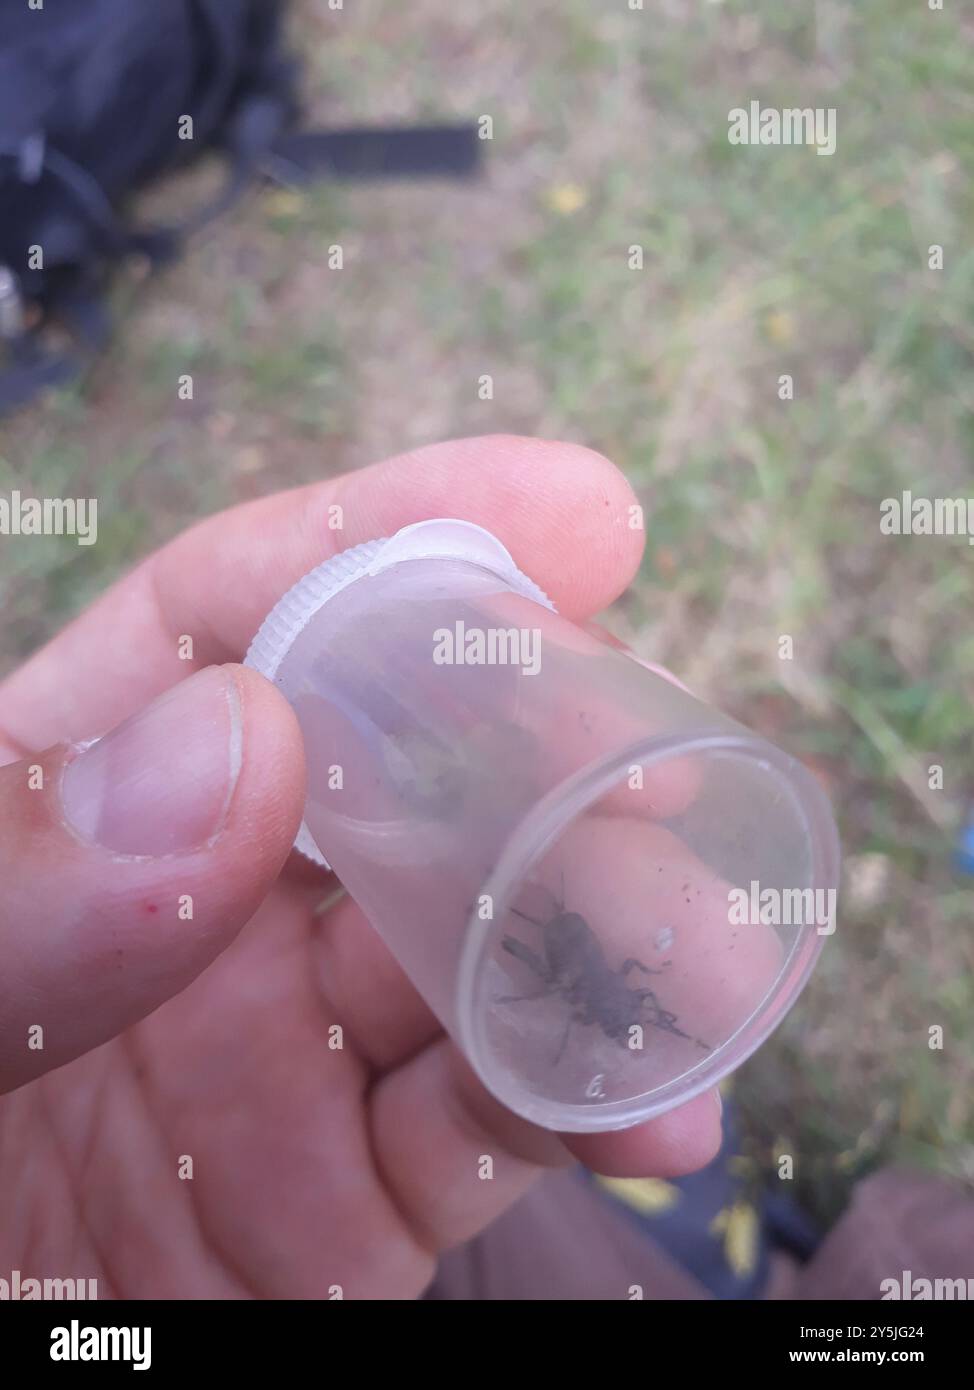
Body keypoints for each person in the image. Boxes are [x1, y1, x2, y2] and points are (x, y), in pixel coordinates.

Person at [4, 433, 970, 1301]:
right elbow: (581, 976)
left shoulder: (590, 984)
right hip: (527, 945)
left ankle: (719, 1244)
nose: (625, 1017)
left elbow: (597, 985)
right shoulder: (572, 971)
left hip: (535, 954)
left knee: (631, 1050)